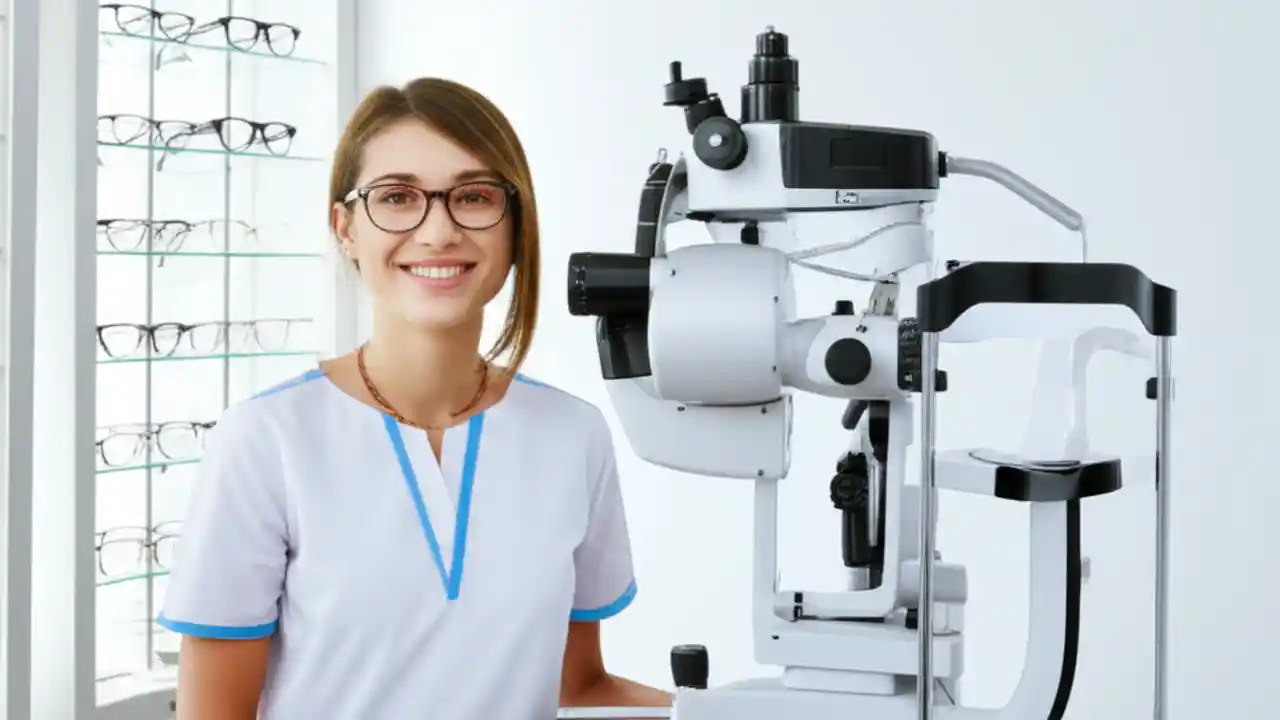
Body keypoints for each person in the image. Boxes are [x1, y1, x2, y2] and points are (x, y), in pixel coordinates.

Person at [156, 77, 673, 718]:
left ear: (516, 229)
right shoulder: (267, 438)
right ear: (346, 228)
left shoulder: (573, 434)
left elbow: (579, 690)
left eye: (475, 196)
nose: (438, 231)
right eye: (397, 198)